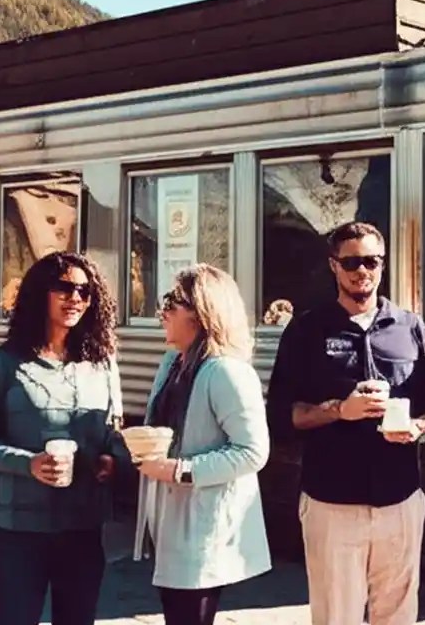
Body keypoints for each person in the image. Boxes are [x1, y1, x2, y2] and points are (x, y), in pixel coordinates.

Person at [266, 221, 425, 625]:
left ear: (382, 265)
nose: (362, 271)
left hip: (400, 499)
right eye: (351, 262)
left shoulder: (410, 327)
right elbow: (281, 415)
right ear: (333, 266)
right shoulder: (307, 329)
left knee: (398, 615)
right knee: (336, 618)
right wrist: (337, 411)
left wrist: (416, 427)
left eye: (371, 261)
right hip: (332, 502)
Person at [0, 251, 124, 625]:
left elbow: (113, 432)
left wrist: (111, 459)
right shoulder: (4, 363)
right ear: (41, 293)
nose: (75, 299)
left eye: (85, 292)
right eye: (64, 288)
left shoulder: (101, 364)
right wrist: (28, 463)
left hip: (82, 526)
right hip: (18, 530)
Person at [133, 264, 272, 625]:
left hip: (204, 529)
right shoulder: (172, 363)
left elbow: (253, 451)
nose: (161, 312)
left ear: (201, 312)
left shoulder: (226, 371)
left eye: (172, 303)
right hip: (169, 521)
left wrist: (182, 470)